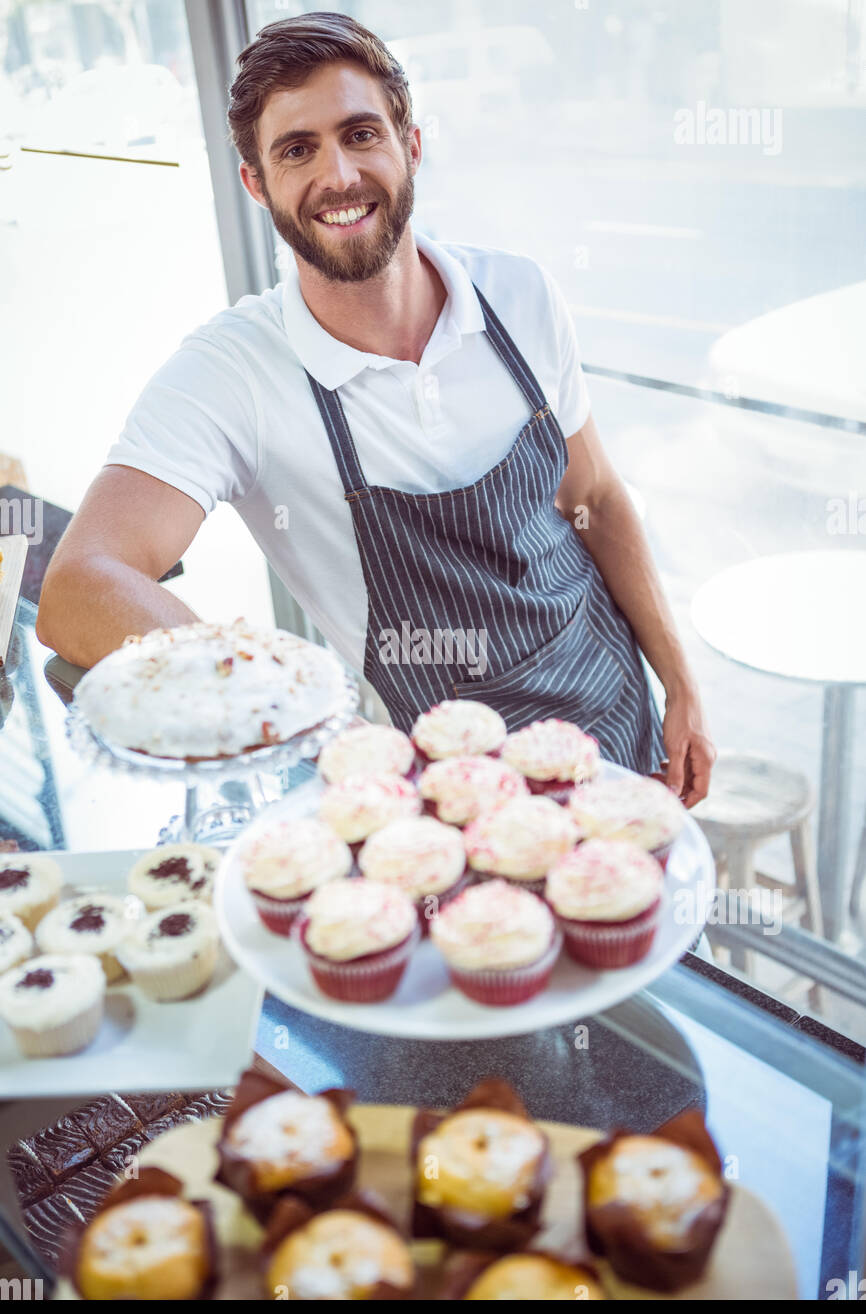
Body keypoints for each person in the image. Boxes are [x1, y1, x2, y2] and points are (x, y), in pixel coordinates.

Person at [37, 12, 714, 807]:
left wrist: (680, 681)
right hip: (442, 800)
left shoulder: (520, 295)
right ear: (256, 184)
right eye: (297, 150)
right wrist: (279, 694)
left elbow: (594, 499)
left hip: (617, 722)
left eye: (361, 134)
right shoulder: (232, 373)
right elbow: (80, 586)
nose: (339, 174)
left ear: (411, 147)